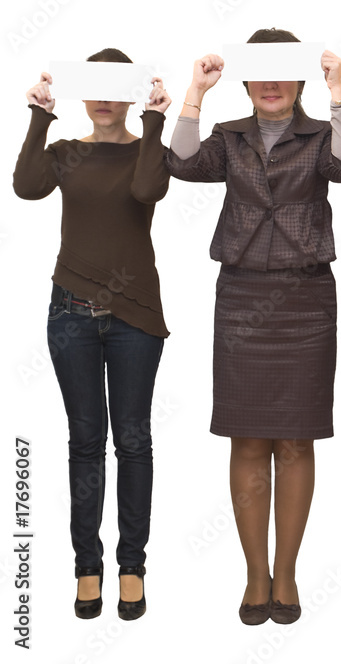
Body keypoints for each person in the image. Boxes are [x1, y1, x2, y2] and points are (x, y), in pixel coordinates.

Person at [166, 28, 341, 625]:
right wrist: (196, 92)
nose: (273, 84)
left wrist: (338, 93)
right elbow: (178, 161)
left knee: (296, 438)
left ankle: (287, 572)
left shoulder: (319, 132)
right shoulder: (228, 138)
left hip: (306, 300)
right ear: (246, 80)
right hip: (242, 298)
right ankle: (256, 574)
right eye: (261, 72)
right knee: (248, 438)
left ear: (299, 79)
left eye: (285, 72)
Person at [13, 48, 171, 621]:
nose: (104, 99)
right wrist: (39, 114)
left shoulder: (146, 147)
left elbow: (149, 191)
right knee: (85, 440)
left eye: (116, 87)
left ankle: (132, 566)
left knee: (132, 440)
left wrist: (154, 120)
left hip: (134, 316)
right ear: (83, 93)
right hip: (71, 313)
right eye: (95, 87)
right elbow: (27, 188)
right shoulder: (63, 152)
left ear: (129, 94)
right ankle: (87, 566)